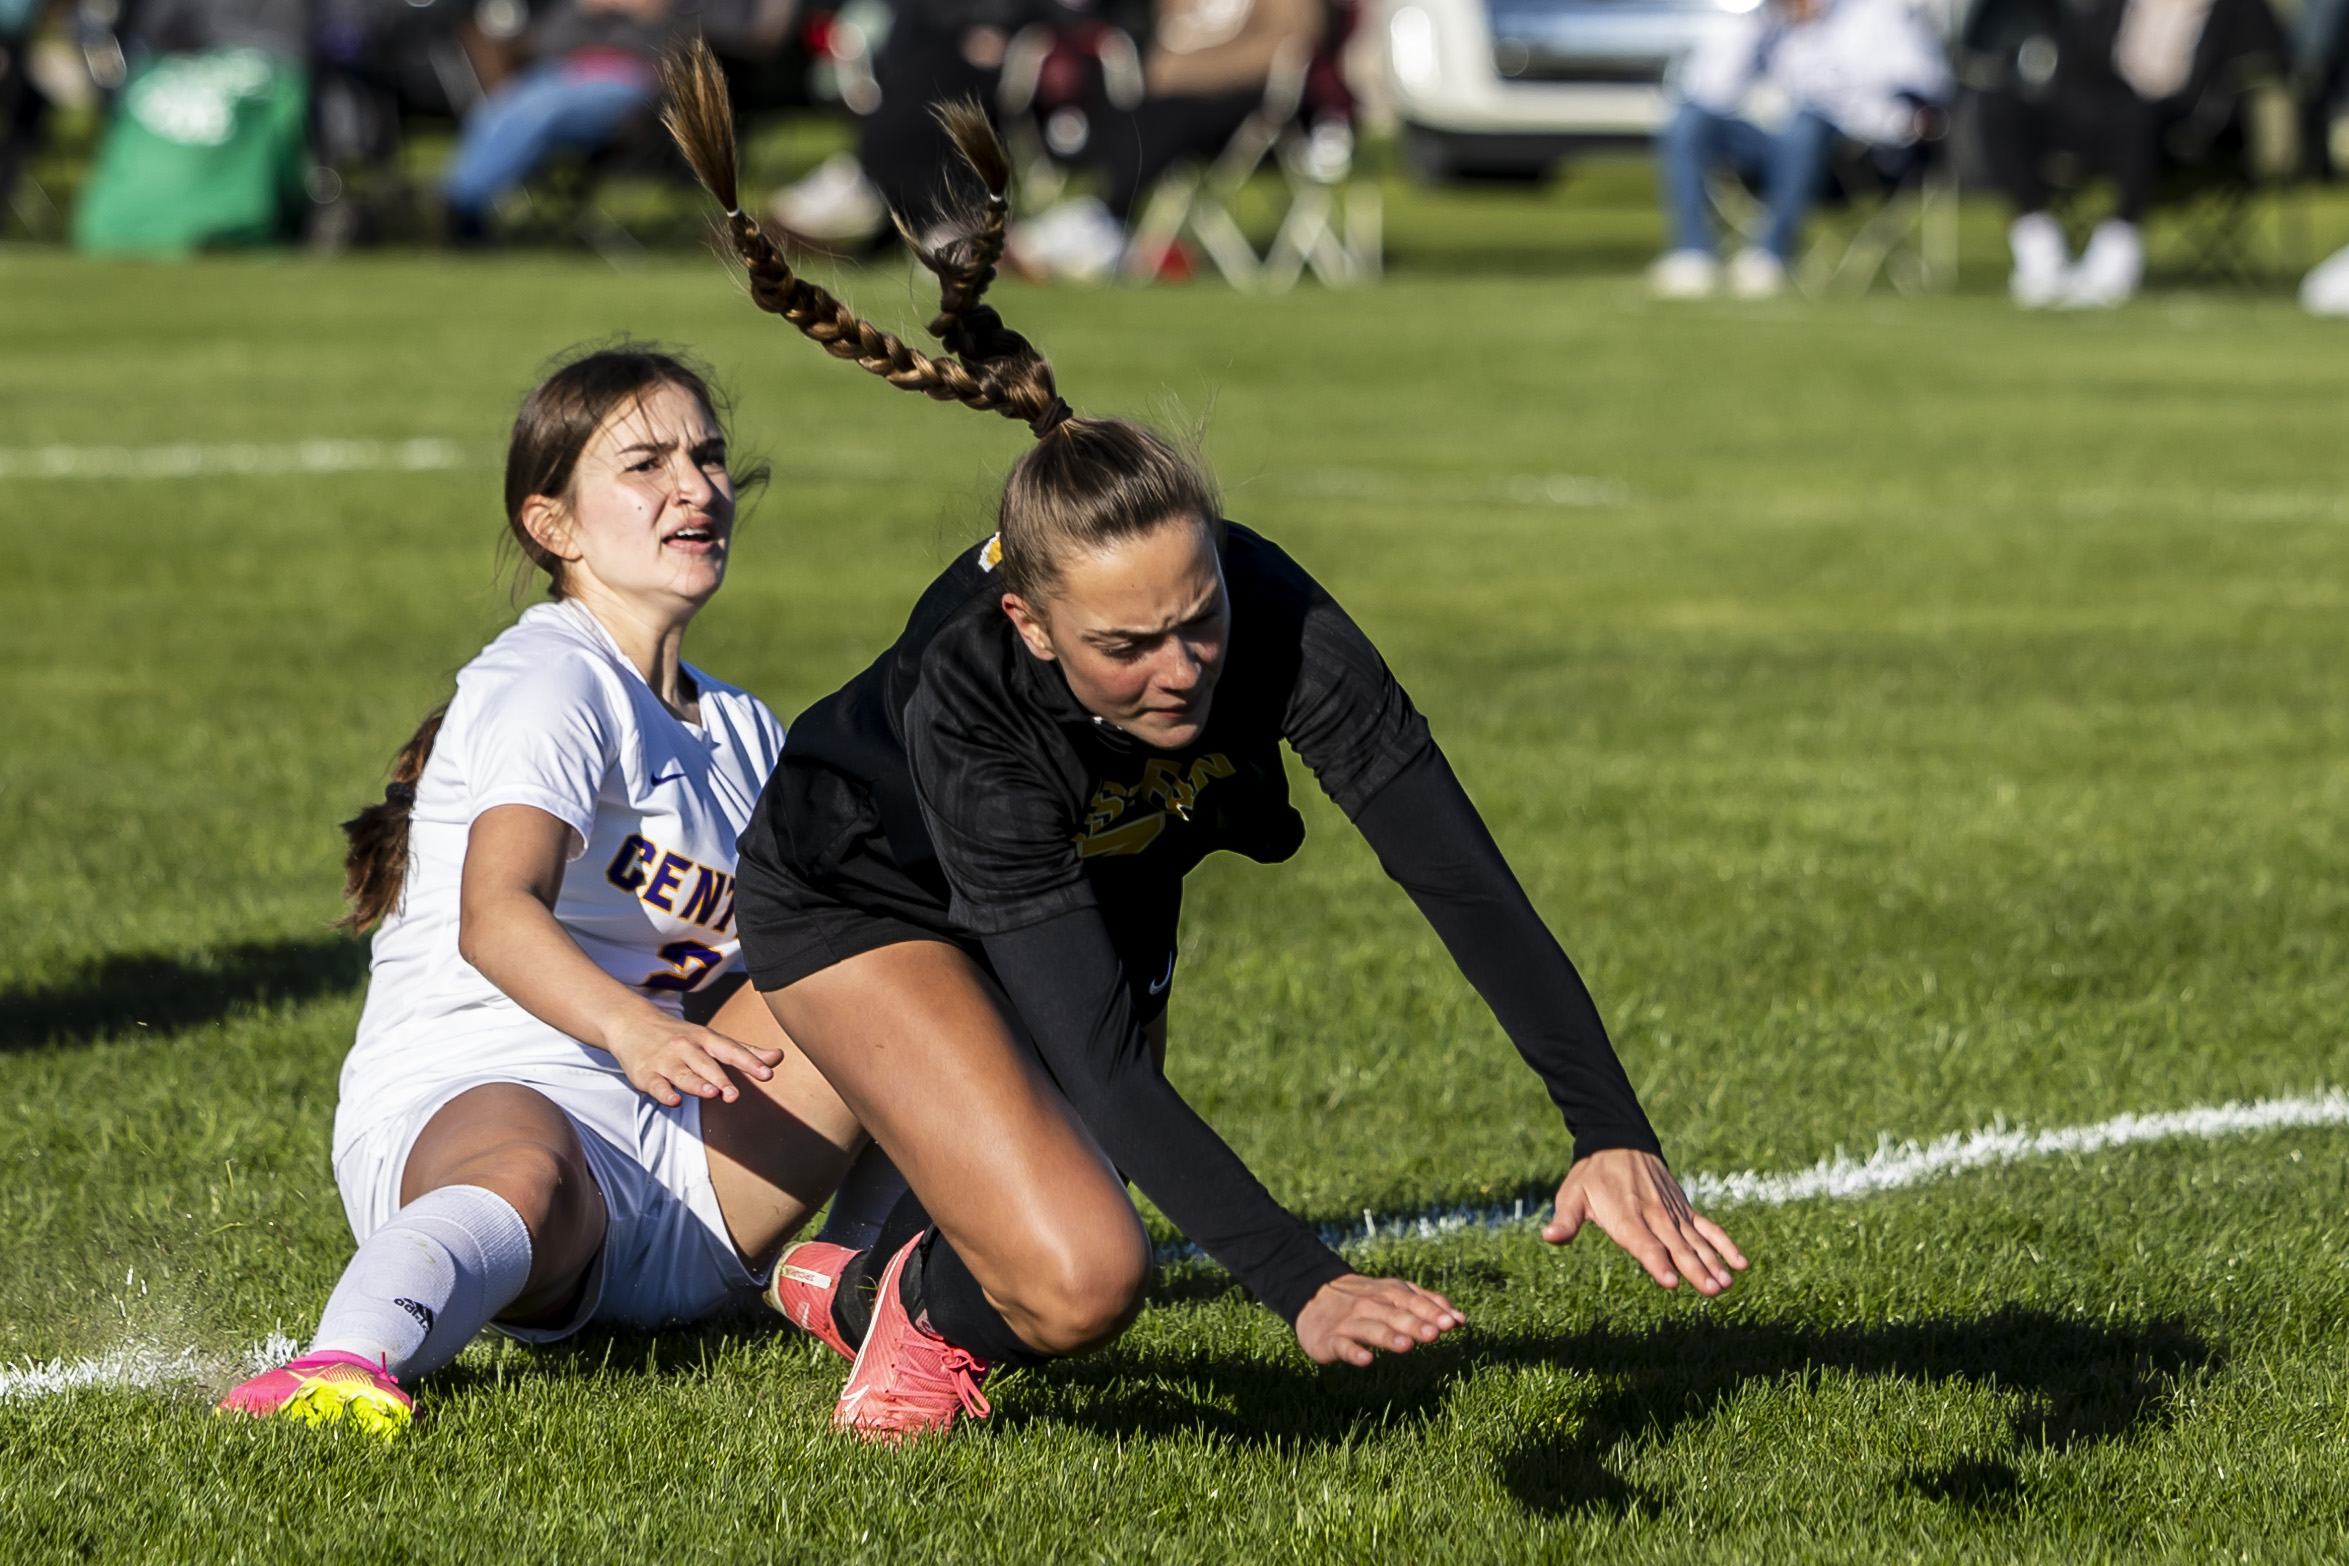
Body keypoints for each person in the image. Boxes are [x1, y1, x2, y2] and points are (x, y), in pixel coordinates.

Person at [664, 43, 1747, 1445]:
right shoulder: (970, 700)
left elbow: (1457, 873)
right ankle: (915, 1295)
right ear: (1034, 626)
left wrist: (1610, 1125)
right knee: (1087, 1272)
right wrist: (1303, 1283)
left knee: (1053, 1220)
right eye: (1129, 646)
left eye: (1200, 621)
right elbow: (1111, 1063)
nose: (1184, 670)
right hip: (862, 891)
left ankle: (887, 1281)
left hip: (1097, 869)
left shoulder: (1278, 620)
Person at [216, 346, 869, 1436]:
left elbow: (828, 970)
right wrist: (635, 1032)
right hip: (484, 1104)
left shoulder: (749, 729)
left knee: (900, 956)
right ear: (552, 526)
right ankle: (343, 1362)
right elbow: (497, 916)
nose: (695, 487)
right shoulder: (553, 676)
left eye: (707, 457)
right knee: (528, 1160)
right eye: (645, 465)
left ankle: (890, 1299)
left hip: (690, 1181)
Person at [1970, 0, 2288, 307]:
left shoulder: (2240, 8)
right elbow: (2080, 57)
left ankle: (2117, 247)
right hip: (2099, 113)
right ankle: (2038, 245)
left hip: (2179, 128)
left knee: (2139, 114)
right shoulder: (2117, 5)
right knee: (2000, 107)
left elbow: (2265, 64)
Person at [1648, 0, 1950, 300]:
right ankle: (1693, 255)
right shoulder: (1767, 23)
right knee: (1688, 120)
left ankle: (1770, 257)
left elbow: (1921, 95)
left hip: (1849, 157)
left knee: (1805, 124)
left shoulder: (1875, 15)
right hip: (1769, 150)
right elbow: (1712, 91)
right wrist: (1757, 27)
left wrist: (1841, 110)